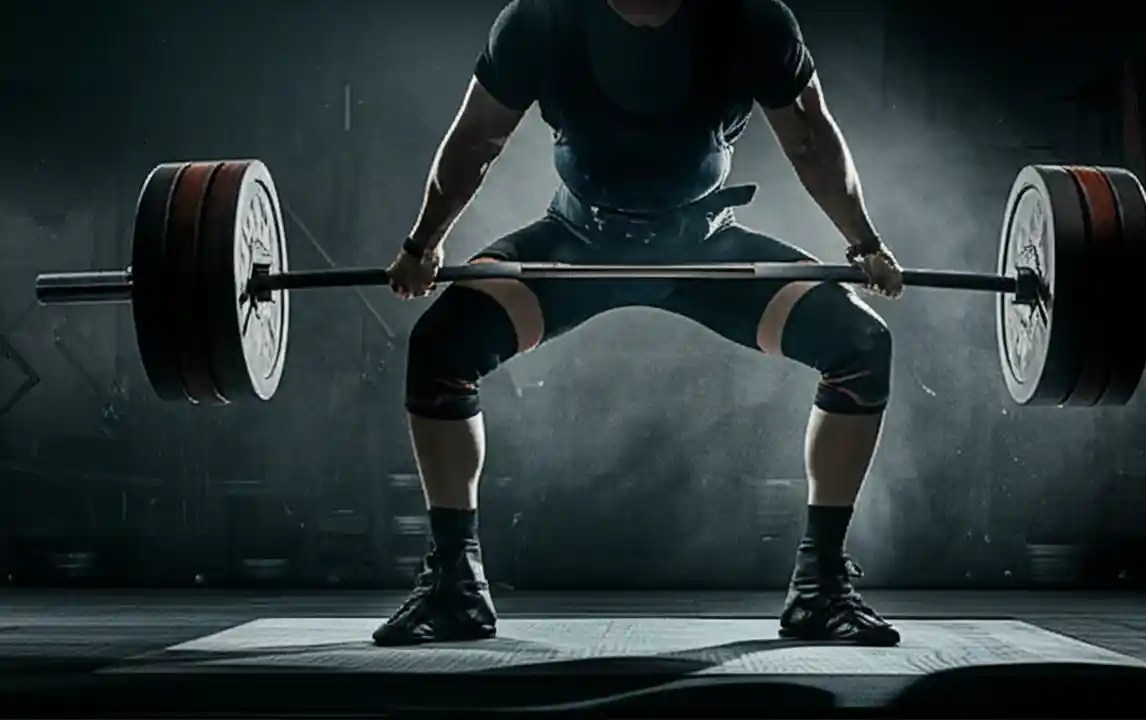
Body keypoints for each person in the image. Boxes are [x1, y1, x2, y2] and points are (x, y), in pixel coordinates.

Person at [374, 0, 904, 647]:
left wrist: (865, 243)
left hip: (703, 251)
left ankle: (819, 588)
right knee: (441, 345)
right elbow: (478, 137)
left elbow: (811, 139)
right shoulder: (540, 19)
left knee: (859, 342)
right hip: (576, 243)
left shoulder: (753, 20)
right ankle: (455, 586)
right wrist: (423, 244)